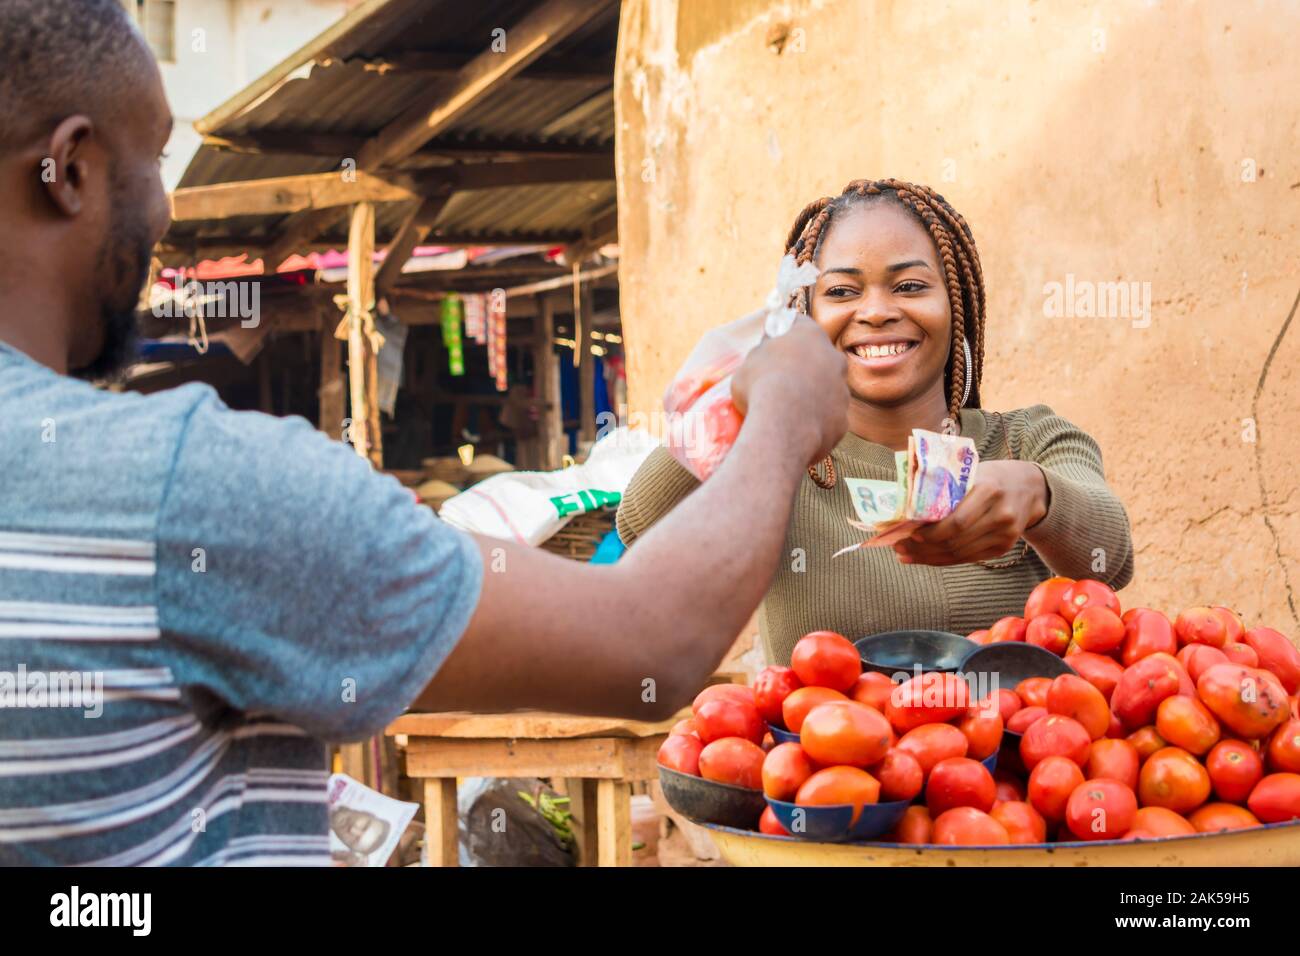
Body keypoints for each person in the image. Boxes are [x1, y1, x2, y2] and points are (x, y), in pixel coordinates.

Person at [0, 0, 847, 865]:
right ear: (66, 170)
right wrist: (783, 409)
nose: (168, 211)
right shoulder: (196, 486)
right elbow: (653, 641)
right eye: (152, 158)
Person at [618, 178, 1135, 665]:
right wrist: (744, 399)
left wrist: (1038, 497)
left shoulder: (1029, 440)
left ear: (955, 305)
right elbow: (640, 527)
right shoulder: (776, 467)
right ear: (804, 314)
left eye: (909, 286)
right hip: (830, 757)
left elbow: (1109, 560)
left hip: (1032, 755)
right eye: (842, 292)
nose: (877, 311)